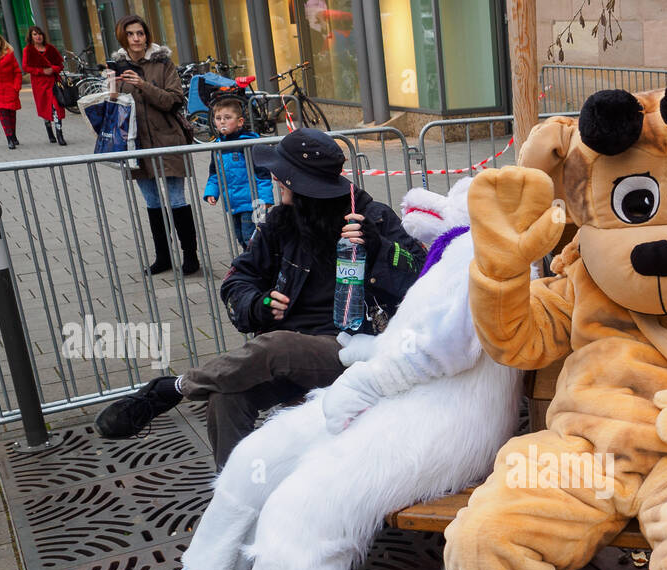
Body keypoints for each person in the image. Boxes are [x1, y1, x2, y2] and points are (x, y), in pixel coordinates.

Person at [99, 180, 523, 570]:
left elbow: (443, 350)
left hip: (441, 423)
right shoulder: (455, 247)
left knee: (305, 509)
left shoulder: (481, 252)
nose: (424, 205)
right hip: (402, 397)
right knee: (256, 458)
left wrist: (362, 382)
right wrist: (361, 355)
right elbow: (417, 341)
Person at [94, 128, 426, 467]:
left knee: (276, 346)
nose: (273, 179)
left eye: (281, 174)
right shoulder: (280, 222)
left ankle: (173, 388)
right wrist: (258, 304)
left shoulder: (372, 217)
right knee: (227, 396)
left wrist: (379, 249)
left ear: (300, 183)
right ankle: (235, 497)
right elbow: (238, 279)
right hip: (284, 353)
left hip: (352, 350)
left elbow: (420, 276)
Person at [108, 14, 198, 275]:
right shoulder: (118, 66)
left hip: (167, 138)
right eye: (131, 34)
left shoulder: (163, 63)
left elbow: (174, 100)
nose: (137, 38)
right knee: (152, 201)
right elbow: (113, 108)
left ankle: (190, 256)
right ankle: (163, 257)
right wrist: (112, 89)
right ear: (123, 38)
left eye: (141, 33)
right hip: (135, 143)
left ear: (147, 35)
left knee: (176, 198)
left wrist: (142, 85)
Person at [202, 95, 274, 249]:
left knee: (253, 239)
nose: (222, 121)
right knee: (241, 238)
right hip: (234, 204)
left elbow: (262, 174)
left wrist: (265, 199)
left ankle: (259, 268)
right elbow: (214, 173)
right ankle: (252, 265)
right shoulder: (217, 146)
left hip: (254, 203)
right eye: (218, 118)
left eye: (227, 117)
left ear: (240, 122)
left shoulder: (249, 143)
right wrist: (211, 192)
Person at [22, 25, 66, 146]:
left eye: (40, 33)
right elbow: (26, 67)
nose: (38, 36)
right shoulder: (28, 50)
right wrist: (41, 71)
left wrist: (53, 69)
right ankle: (49, 130)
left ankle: (59, 134)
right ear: (31, 37)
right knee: (45, 108)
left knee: (57, 107)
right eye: (35, 34)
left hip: (53, 83)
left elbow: (60, 65)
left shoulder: (50, 48)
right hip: (40, 85)